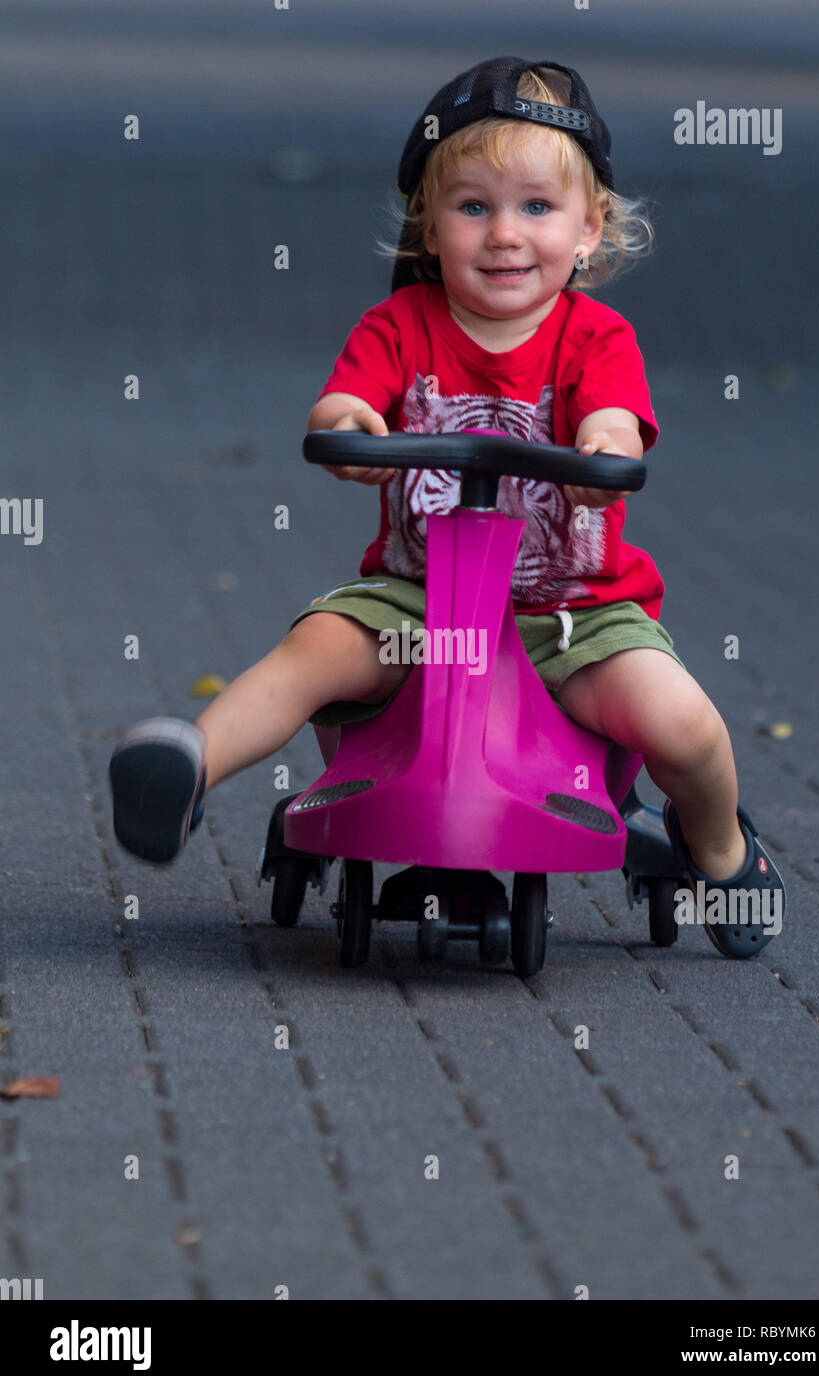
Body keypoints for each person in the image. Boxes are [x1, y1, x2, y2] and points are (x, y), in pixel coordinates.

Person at [109, 56, 784, 952]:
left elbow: (616, 422)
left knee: (682, 721)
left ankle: (721, 848)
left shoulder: (598, 339)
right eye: (474, 208)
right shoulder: (400, 326)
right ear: (428, 228)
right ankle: (189, 767)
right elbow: (345, 403)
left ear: (591, 230)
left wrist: (603, 449)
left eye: (536, 208)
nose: (505, 233)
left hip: (573, 618)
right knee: (314, 649)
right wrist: (349, 423)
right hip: (416, 603)